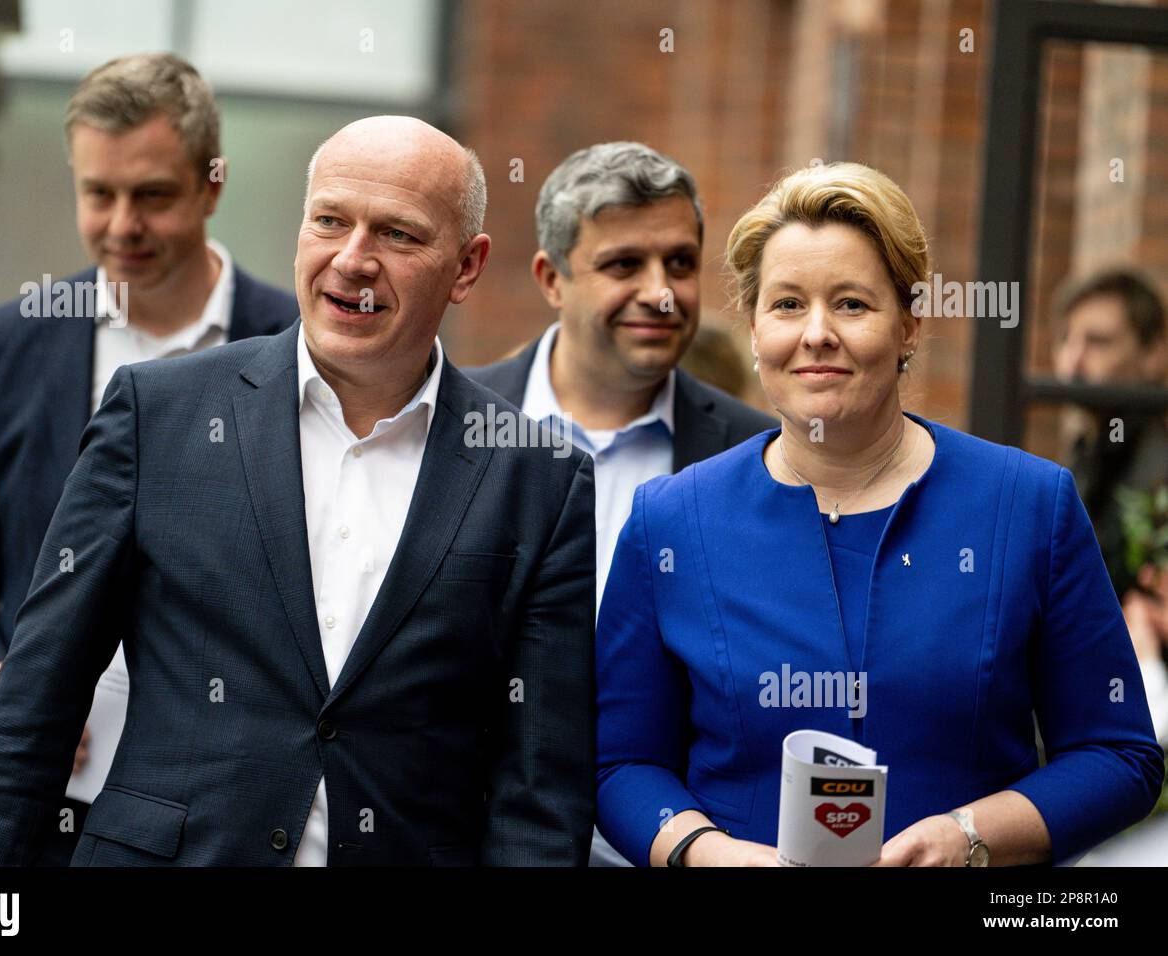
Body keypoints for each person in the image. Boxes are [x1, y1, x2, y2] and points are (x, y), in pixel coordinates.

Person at [0, 115, 597, 867]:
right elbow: (33, 708)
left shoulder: (538, 476)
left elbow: (541, 792)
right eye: (329, 221)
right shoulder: (157, 415)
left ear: (468, 266)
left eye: (398, 235)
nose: (353, 260)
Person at [595, 161, 1165, 867]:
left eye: (853, 304)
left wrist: (970, 837)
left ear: (908, 325)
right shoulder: (671, 523)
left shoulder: (1028, 505)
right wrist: (706, 853)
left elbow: (1119, 754)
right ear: (751, 327)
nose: (817, 333)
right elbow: (620, 764)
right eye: (787, 305)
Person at [0, 52, 297, 865]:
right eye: (98, 194)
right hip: (23, 816)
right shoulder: (6, 346)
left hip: (221, 826)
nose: (122, 225)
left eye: (152, 195)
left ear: (211, 185)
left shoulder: (299, 349)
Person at [466, 142, 774, 866]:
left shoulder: (762, 455)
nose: (661, 292)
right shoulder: (451, 428)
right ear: (551, 278)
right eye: (623, 265)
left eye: (680, 264)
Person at [1051, 268, 1168, 602]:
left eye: (1097, 342)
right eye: (1066, 339)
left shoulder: (1152, 465)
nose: (1073, 360)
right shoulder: (1092, 451)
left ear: (1153, 354)